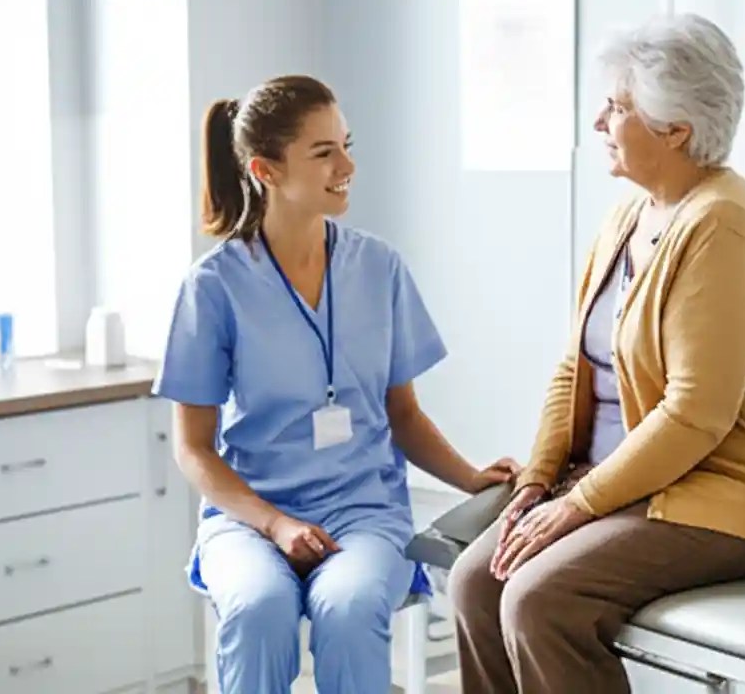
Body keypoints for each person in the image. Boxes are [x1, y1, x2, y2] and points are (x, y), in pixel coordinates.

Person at [448, 14, 745, 694]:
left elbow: (695, 415)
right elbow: (575, 369)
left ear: (675, 128)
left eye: (617, 108)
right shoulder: (629, 213)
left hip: (726, 497)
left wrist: (578, 504)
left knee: (539, 600)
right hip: (629, 486)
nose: (598, 122)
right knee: (476, 582)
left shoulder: (722, 226)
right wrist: (538, 479)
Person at [154, 74, 518, 694]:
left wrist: (472, 477)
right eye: (324, 153)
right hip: (249, 514)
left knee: (347, 611)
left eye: (346, 144)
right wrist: (273, 524)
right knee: (258, 608)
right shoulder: (213, 287)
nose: (347, 164)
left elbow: (403, 415)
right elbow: (193, 448)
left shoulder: (379, 268)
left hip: (363, 508)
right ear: (266, 171)